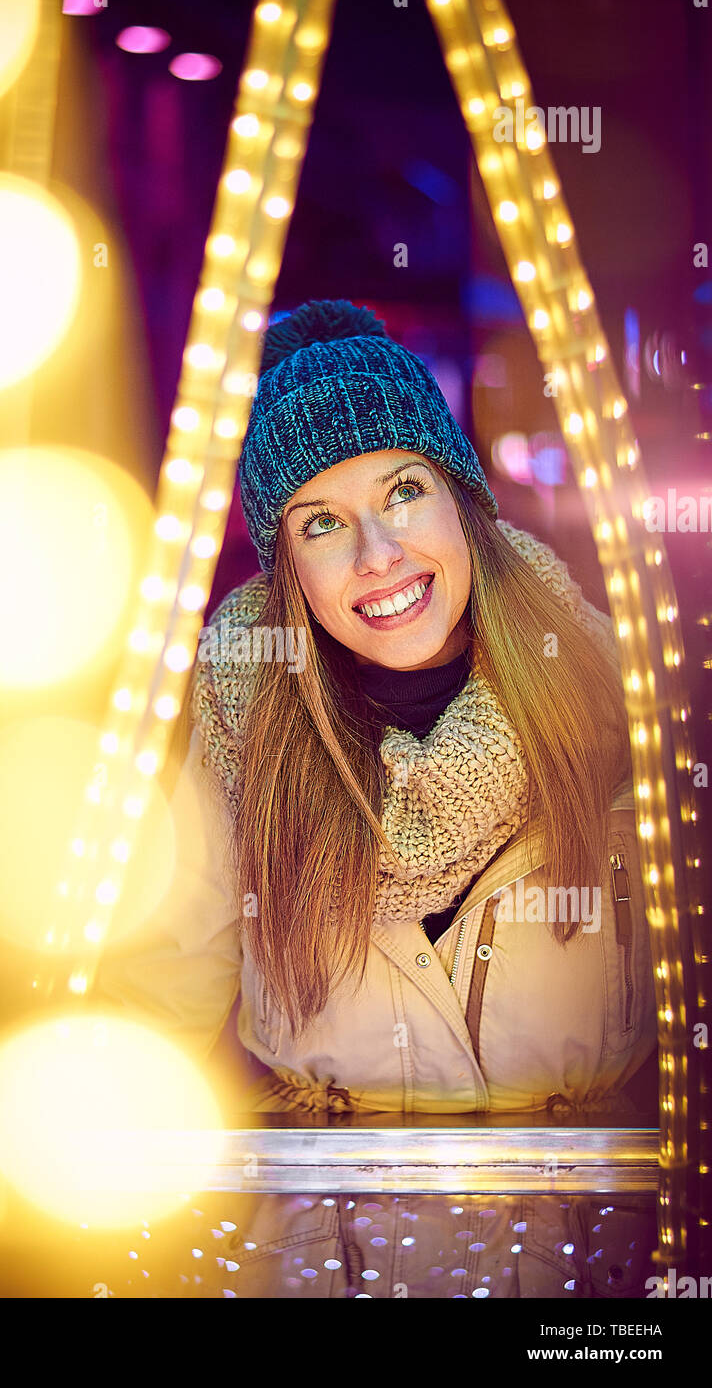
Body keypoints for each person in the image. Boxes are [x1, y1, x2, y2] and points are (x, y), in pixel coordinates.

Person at [95, 299, 657, 1298]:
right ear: (288, 573)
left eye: (402, 491)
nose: (376, 555)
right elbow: (150, 1020)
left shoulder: (622, 702)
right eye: (320, 522)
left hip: (586, 1291)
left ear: (462, 500)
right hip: (330, 1276)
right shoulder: (236, 732)